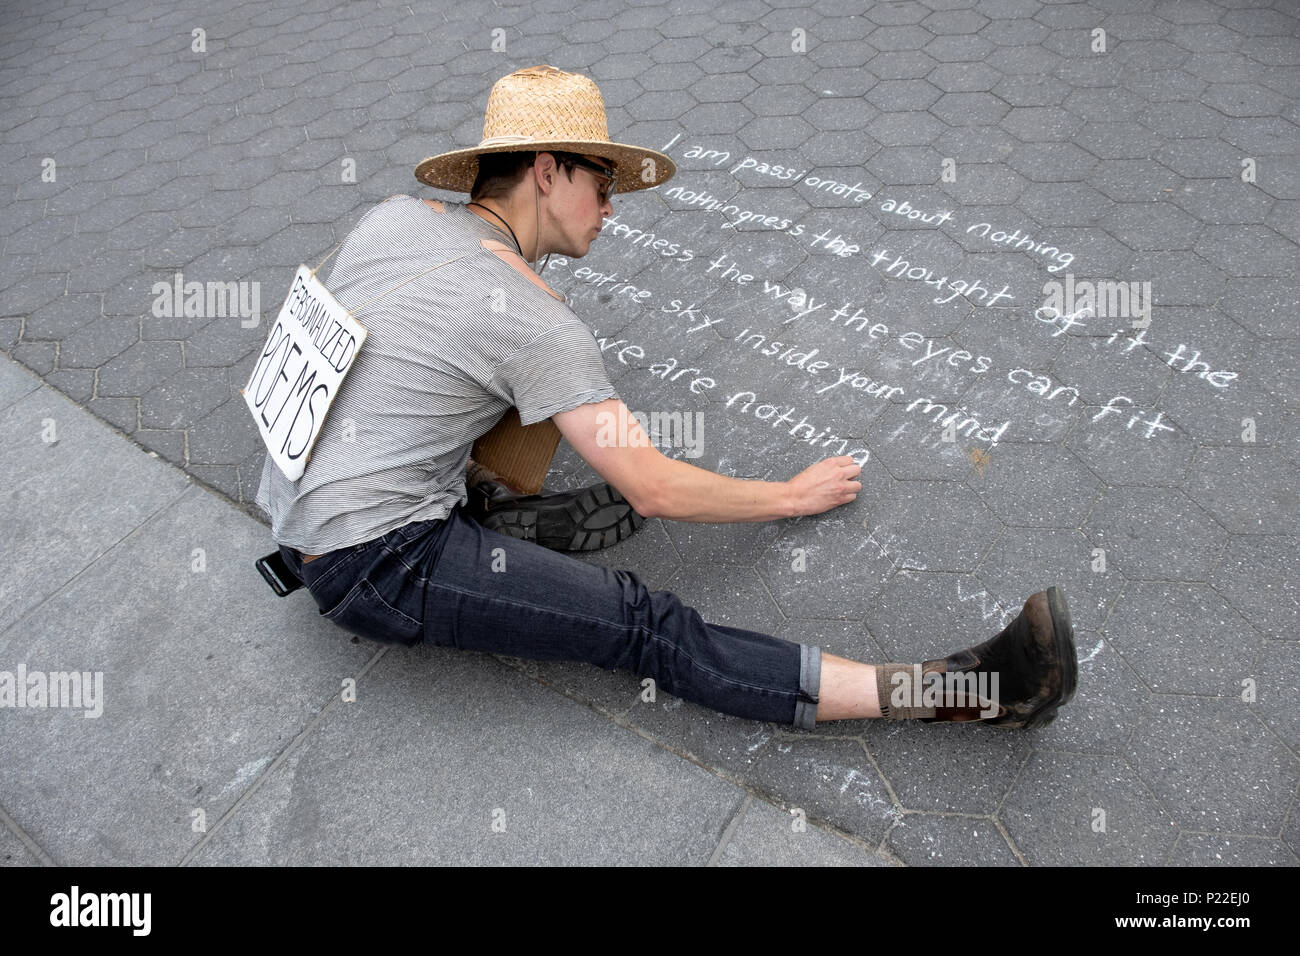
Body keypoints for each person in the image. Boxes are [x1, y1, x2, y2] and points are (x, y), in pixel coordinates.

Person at [256, 65, 1077, 730]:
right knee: (646, 624)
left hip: (296, 509)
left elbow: (328, 343)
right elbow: (652, 487)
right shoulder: (536, 324)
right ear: (547, 171)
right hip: (375, 565)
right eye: (602, 182)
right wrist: (787, 496)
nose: (612, 208)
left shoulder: (395, 217)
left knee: (466, 385)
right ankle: (966, 691)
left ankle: (482, 511)